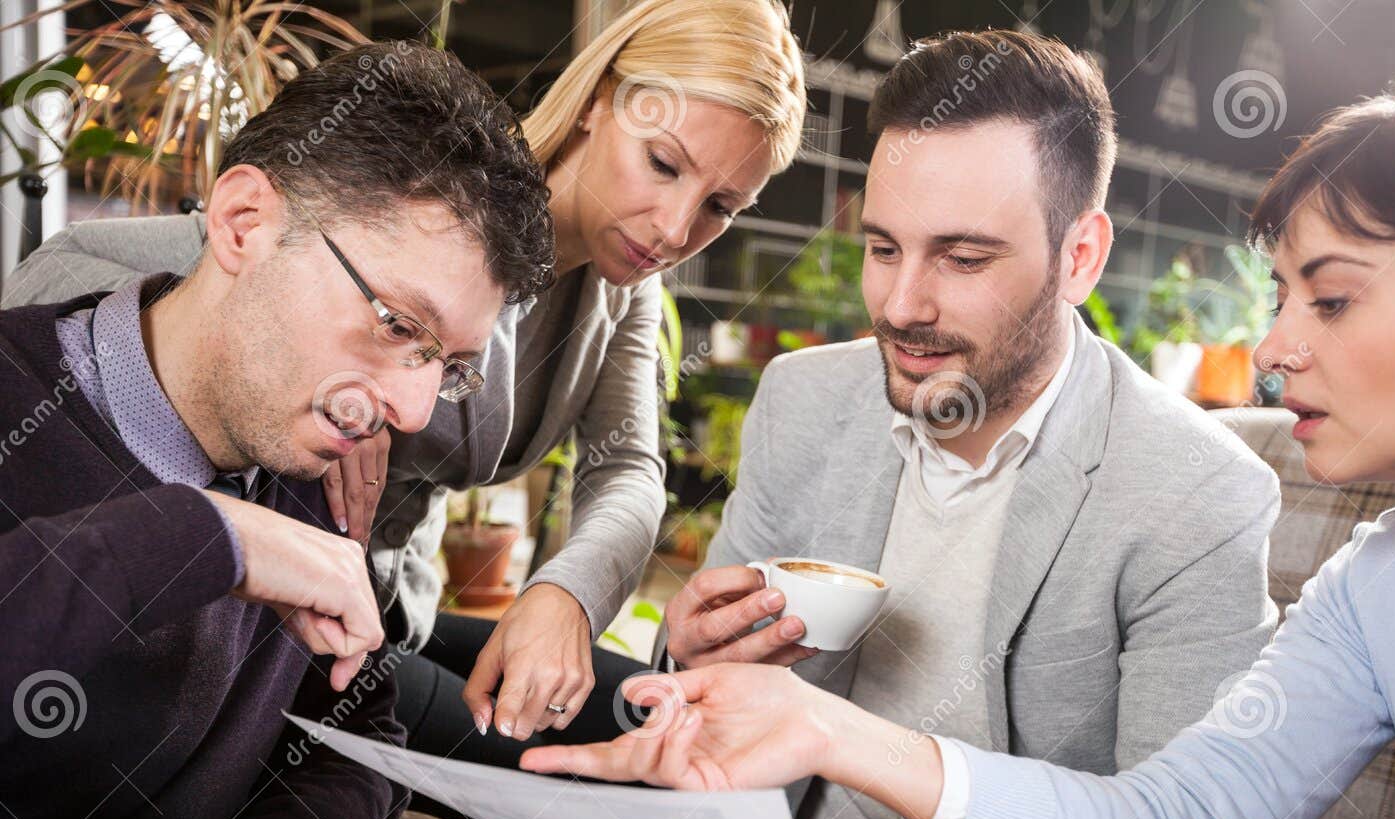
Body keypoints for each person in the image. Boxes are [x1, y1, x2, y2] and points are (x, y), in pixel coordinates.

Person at [511, 64, 1395, 819]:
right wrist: (790, 707)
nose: (1270, 352)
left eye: (1332, 296)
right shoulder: (1391, 583)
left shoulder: (1201, 488)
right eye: (883, 248)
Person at [407, 30, 1283, 819]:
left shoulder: (1198, 490)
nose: (901, 304)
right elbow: (712, 704)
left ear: (1079, 255)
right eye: (881, 246)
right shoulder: (807, 400)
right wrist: (694, 664)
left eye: (962, 257)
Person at [3, 0, 808, 768]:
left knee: (672, 729)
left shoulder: (623, 292)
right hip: (279, 632)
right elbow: (111, 266)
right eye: (662, 164)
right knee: (619, 770)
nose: (675, 229)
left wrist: (564, 593)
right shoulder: (439, 194)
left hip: (394, 609)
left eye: (721, 208)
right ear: (601, 101)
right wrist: (343, 371)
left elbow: (628, 467)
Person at [0, 43, 551, 819]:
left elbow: (360, 742)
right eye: (395, 324)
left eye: (444, 363)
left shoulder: (305, 464)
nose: (413, 407)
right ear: (244, 221)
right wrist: (210, 536)